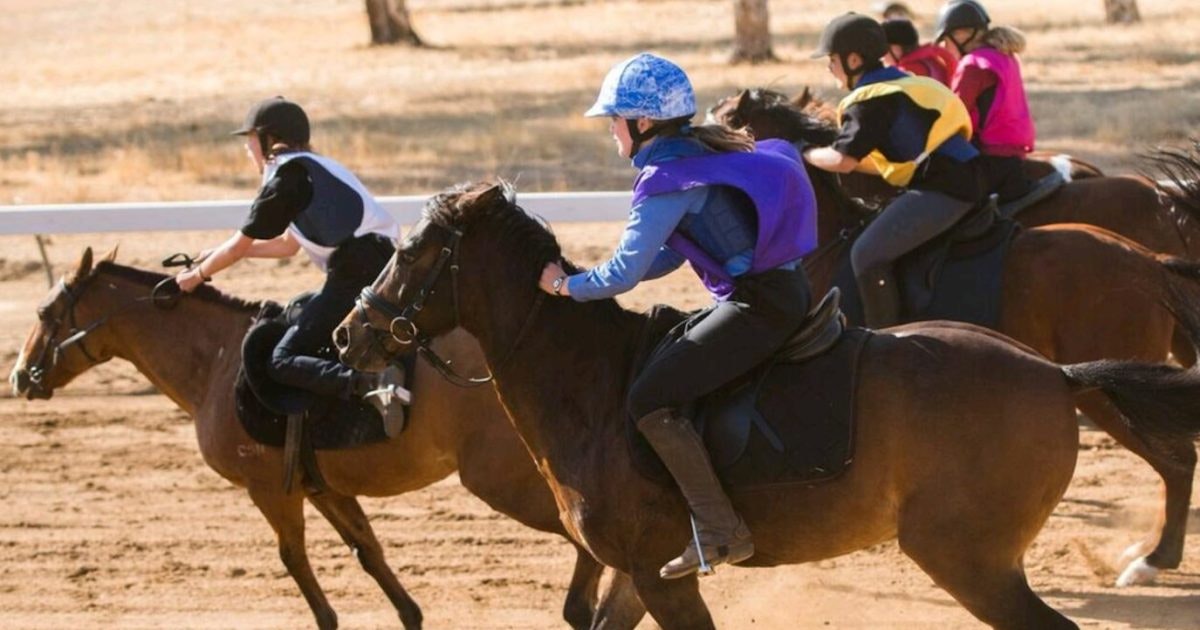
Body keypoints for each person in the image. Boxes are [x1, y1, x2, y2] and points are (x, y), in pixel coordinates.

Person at [538, 53, 818, 579]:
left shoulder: (665, 178)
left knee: (649, 397)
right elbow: (667, 254)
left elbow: (623, 275)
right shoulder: (695, 152)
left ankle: (719, 530)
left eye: (613, 121)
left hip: (758, 305)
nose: (611, 132)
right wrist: (593, 276)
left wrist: (564, 285)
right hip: (779, 292)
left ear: (642, 122)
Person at [175, 97, 409, 434]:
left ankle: (371, 382)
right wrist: (215, 252)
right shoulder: (311, 167)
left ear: (269, 140)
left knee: (282, 359)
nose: (247, 150)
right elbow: (287, 246)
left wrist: (196, 276)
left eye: (250, 140)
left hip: (356, 268)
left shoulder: (287, 177)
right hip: (371, 262)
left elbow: (240, 244)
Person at [804, 13, 984, 328]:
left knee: (865, 255)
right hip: (961, 174)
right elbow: (881, 164)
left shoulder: (870, 101)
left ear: (854, 59)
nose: (829, 67)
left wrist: (805, 153)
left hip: (944, 188)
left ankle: (882, 337)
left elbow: (842, 161)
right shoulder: (904, 84)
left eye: (832, 59)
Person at [935, 0, 1035, 201]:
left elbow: (954, 115)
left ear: (963, 34)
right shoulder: (1004, 56)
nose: (945, 47)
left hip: (989, 157)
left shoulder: (973, 65)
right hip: (1013, 155)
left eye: (947, 39)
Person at [882, 18, 958, 86]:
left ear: (896, 47)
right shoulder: (930, 61)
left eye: (883, 47)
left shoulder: (910, 72)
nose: (882, 55)